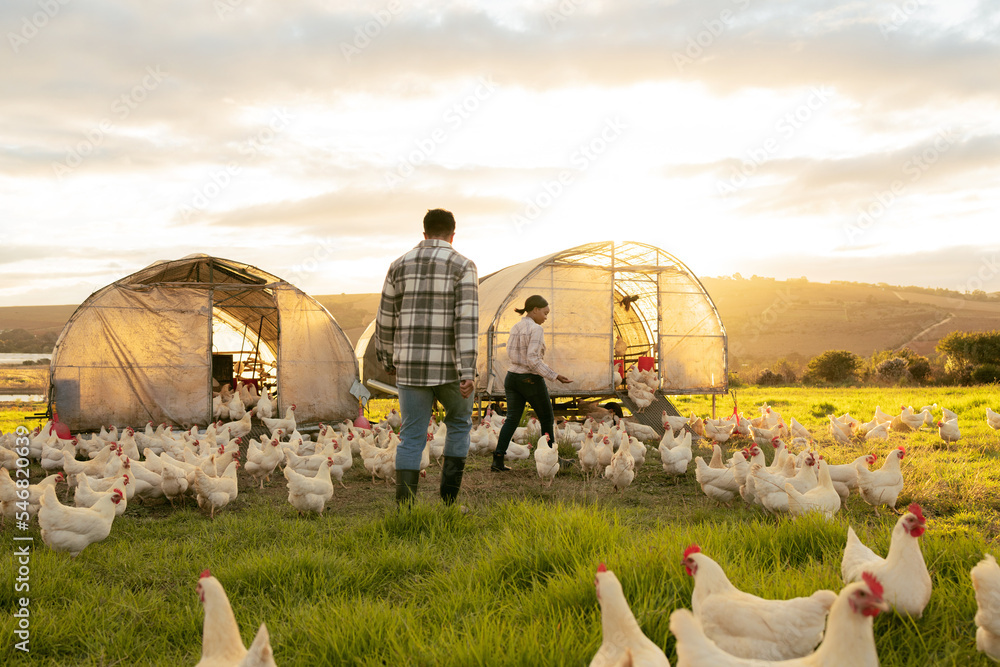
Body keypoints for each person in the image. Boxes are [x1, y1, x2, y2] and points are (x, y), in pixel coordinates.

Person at [374, 208, 479, 506]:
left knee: (411, 435)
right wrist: (468, 370)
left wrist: (388, 359)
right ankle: (448, 504)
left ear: (424, 233)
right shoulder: (463, 265)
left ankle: (406, 510)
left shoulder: (398, 266)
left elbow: (385, 319)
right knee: (458, 424)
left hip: (411, 367)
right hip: (451, 369)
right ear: (452, 235)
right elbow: (466, 321)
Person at [492, 295, 572, 472]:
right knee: (546, 418)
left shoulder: (516, 327)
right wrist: (555, 376)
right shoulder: (536, 329)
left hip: (512, 377)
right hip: (529, 379)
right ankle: (552, 459)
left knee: (512, 419)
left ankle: (498, 460)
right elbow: (533, 360)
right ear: (535, 310)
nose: (546, 317)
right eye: (545, 313)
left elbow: (513, 354)